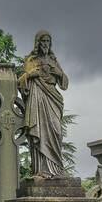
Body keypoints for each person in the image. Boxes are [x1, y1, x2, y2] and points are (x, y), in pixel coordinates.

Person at [18, 30, 68, 178]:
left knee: (57, 131)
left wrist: (58, 73)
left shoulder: (54, 61)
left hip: (53, 98)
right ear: (37, 43)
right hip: (38, 97)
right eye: (43, 41)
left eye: (47, 41)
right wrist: (29, 75)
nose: (45, 44)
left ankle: (57, 169)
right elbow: (21, 82)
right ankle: (41, 170)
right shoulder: (31, 60)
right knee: (39, 129)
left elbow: (64, 84)